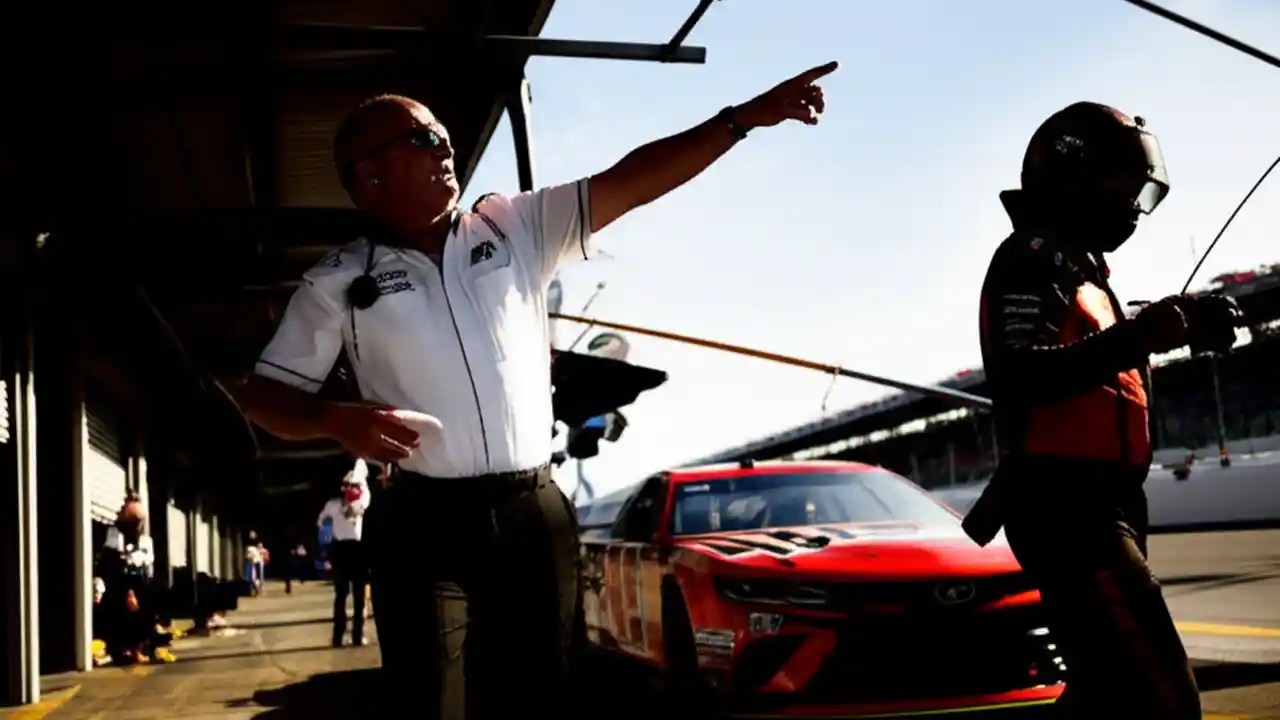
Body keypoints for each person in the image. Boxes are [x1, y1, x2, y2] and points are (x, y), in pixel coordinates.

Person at [235, 59, 838, 717]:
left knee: (539, 694)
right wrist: (331, 418)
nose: (446, 148)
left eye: (442, 135)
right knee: (431, 697)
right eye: (423, 138)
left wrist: (740, 120)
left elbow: (630, 183)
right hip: (422, 524)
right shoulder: (338, 282)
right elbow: (262, 395)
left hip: (533, 514)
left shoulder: (515, 227)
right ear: (369, 177)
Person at [966, 101, 1242, 719]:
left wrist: (1187, 321)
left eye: (1140, 194)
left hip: (1105, 503)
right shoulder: (1030, 259)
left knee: (1103, 693)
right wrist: (1144, 333)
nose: (1131, 211)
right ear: (1070, 179)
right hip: (1067, 510)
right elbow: (1018, 374)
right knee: (1165, 697)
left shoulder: (1082, 270)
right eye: (1121, 190)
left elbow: (1106, 360)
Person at [317, 458, 372, 647]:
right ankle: (339, 636)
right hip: (343, 549)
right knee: (342, 595)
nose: (351, 489)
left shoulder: (360, 502)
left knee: (357, 596)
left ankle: (355, 635)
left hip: (355, 549)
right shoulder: (333, 505)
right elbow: (321, 522)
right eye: (348, 485)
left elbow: (361, 502)